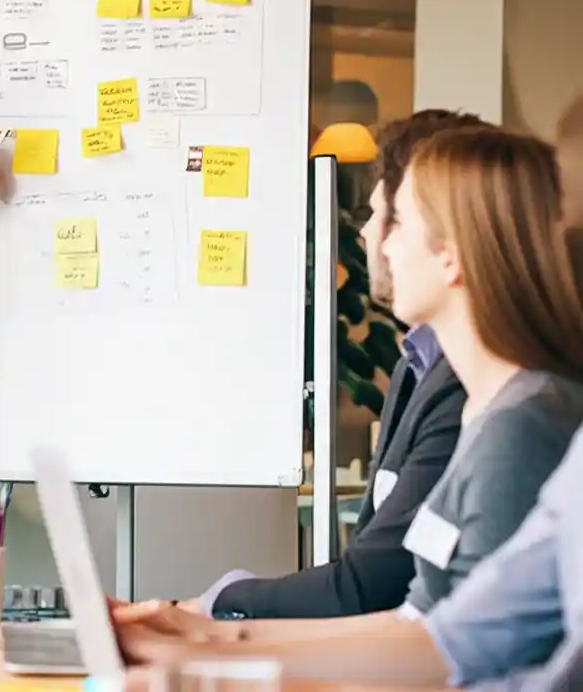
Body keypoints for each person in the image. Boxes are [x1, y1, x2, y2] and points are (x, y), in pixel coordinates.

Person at [116, 125, 583, 680]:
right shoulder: (481, 409)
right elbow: (433, 632)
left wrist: (207, 651)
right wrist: (199, 641)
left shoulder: (524, 423)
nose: (378, 242)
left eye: (399, 222)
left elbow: (455, 652)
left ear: (452, 256)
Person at [195, 111, 482, 620]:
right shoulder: (422, 364)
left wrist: (213, 616)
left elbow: (375, 591)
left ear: (450, 244)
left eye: (388, 218)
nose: (373, 237)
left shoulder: (489, 396)